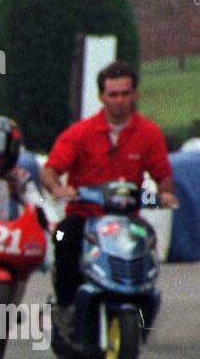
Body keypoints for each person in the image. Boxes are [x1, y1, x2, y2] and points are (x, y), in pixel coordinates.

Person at [40, 61, 177, 337]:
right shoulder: (80, 133)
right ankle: (66, 307)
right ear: (102, 96)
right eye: (113, 94)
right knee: (63, 238)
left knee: (148, 248)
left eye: (125, 93)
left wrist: (165, 193)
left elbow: (164, 176)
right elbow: (50, 171)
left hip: (127, 221)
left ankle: (141, 311)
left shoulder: (149, 134)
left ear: (135, 94)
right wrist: (57, 187)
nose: (119, 101)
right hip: (84, 216)